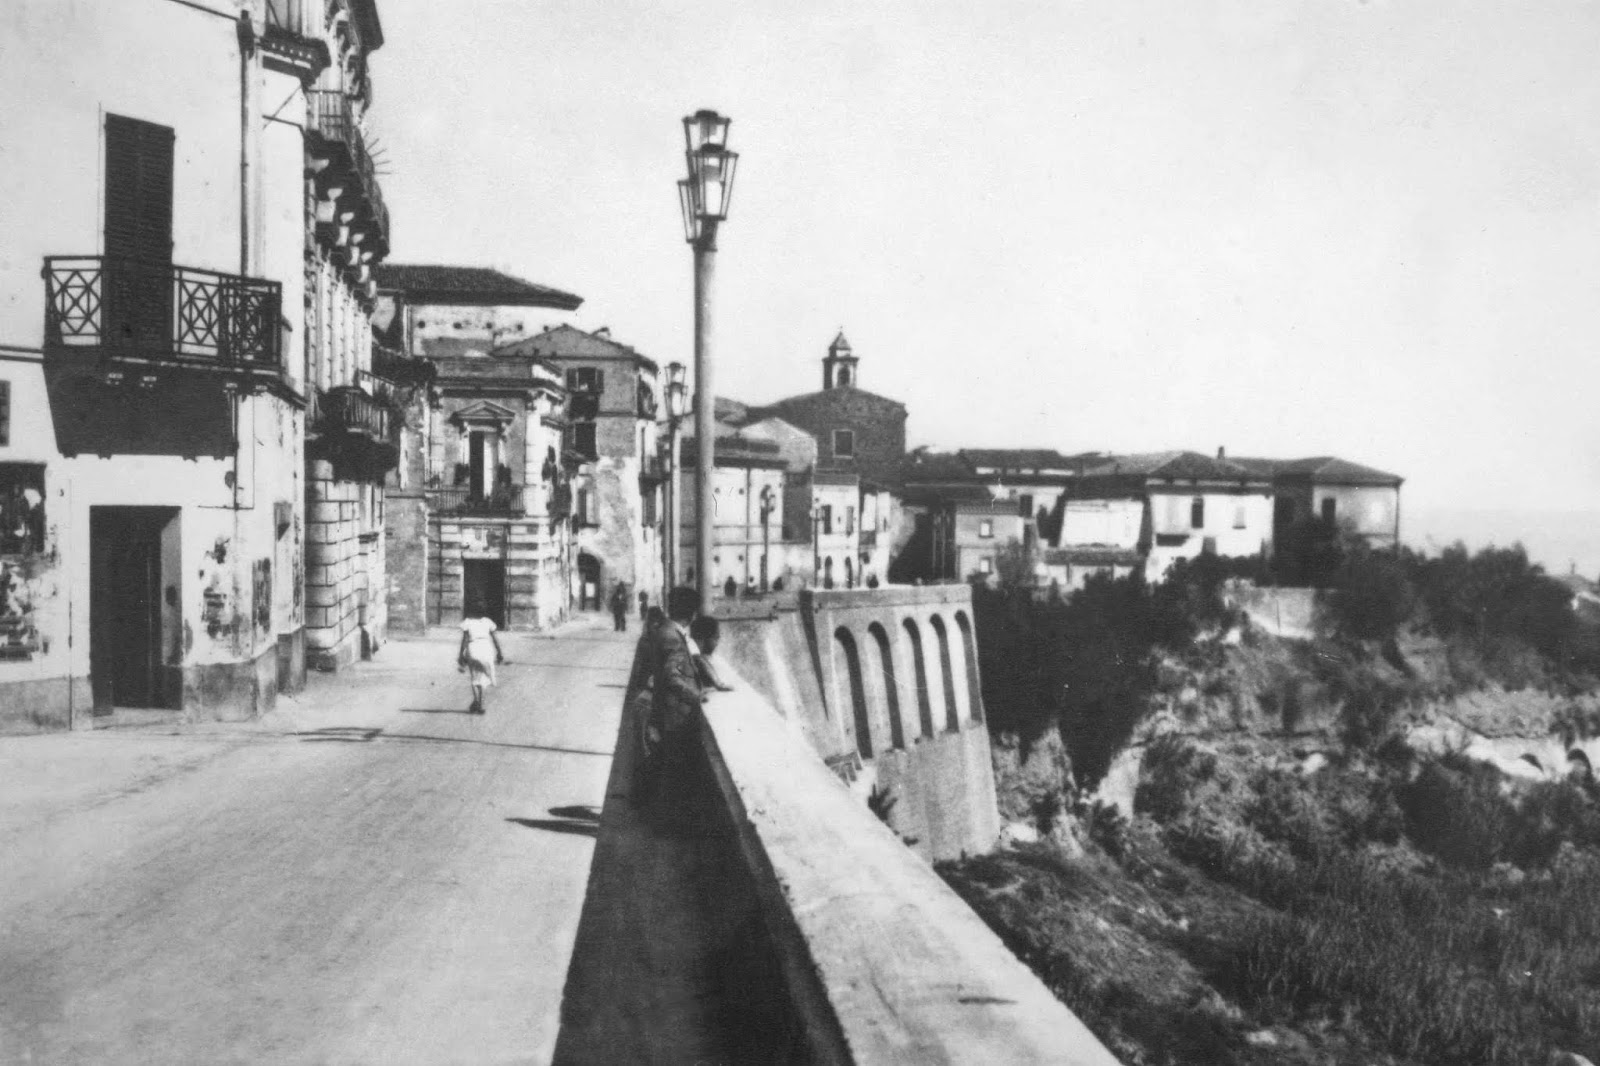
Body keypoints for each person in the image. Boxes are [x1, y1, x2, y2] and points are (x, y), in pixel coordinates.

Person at [633, 586, 706, 824]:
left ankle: (664, 820)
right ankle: (668, 824)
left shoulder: (662, 630)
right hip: (674, 714)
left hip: (664, 710)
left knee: (667, 770)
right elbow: (672, 676)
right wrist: (696, 696)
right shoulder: (672, 636)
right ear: (692, 613)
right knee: (675, 772)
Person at [457, 604, 504, 715]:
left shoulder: (468, 622)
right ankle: (480, 703)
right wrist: (499, 653)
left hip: (473, 648)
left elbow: (465, 640)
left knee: (474, 676)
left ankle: (476, 700)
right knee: (483, 678)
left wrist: (460, 655)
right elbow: (495, 639)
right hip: (485, 649)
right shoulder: (487, 622)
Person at [689, 615, 735, 692]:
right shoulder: (694, 653)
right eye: (716, 638)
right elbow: (700, 661)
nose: (717, 643)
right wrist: (719, 684)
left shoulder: (698, 653)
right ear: (703, 639)